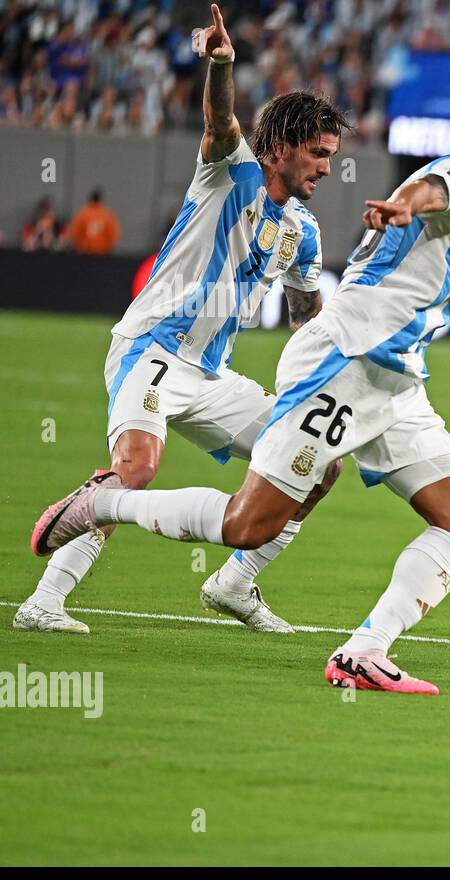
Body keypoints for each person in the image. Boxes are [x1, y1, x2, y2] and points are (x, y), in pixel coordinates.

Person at [32, 93, 450, 696]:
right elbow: (438, 188)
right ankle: (104, 506)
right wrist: (402, 204)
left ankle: (362, 651)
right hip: (344, 363)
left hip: (392, 378)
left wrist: (311, 326)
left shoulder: (309, 229)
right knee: (246, 524)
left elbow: (308, 300)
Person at [16, 4, 348, 636]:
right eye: (317, 153)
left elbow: (308, 315)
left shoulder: (303, 233)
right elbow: (220, 119)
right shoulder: (231, 172)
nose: (326, 168)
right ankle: (45, 602)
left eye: (331, 156)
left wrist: (319, 380)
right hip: (153, 350)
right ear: (279, 148)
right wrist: (222, 65)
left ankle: (235, 582)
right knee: (137, 469)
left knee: (318, 460)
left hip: (212, 374)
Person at [62, 189, 121, 255]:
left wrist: (79, 246)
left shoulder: (83, 214)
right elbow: (113, 234)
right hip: (102, 252)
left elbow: (75, 232)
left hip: (85, 252)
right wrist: (108, 247)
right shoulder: (107, 215)